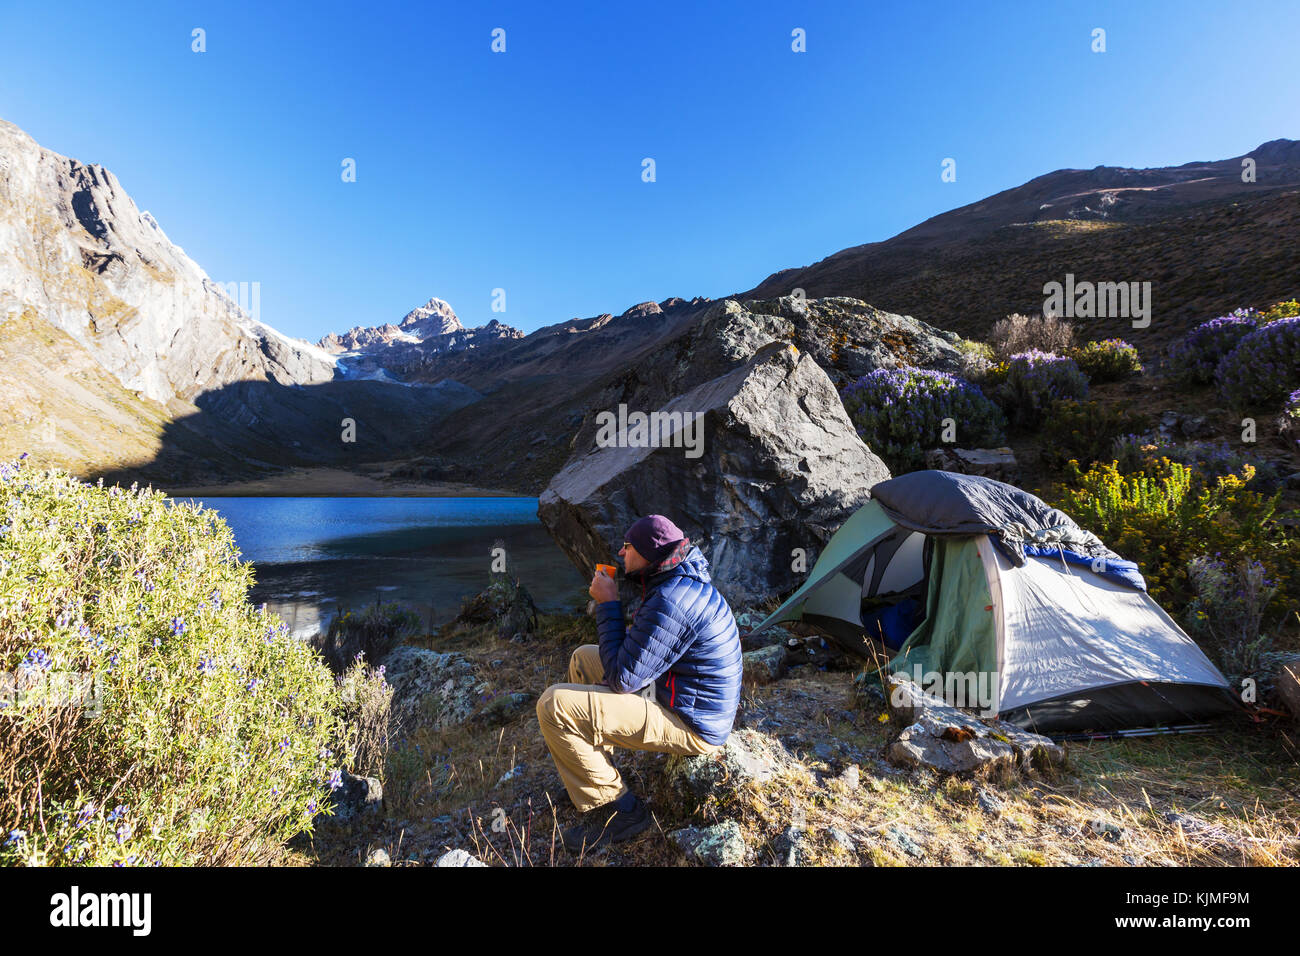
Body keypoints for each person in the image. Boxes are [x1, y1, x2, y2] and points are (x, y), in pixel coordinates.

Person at [536, 514, 742, 853]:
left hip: (692, 722)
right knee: (583, 658)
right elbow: (635, 656)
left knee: (553, 705)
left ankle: (619, 811)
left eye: (628, 547)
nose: (620, 551)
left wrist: (608, 605)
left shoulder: (671, 599)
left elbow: (622, 678)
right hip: (678, 694)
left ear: (649, 553)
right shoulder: (676, 581)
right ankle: (592, 772)